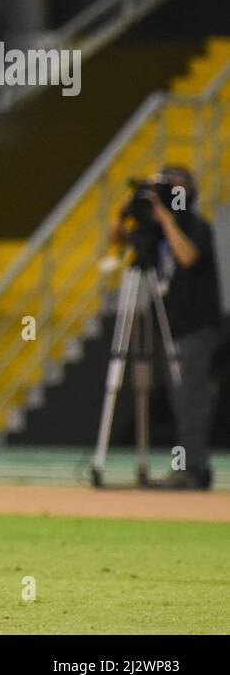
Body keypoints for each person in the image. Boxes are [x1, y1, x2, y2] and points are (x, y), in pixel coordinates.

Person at [110, 167, 222, 490]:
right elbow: (115, 240)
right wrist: (126, 211)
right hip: (173, 326)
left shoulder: (195, 225)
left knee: (190, 400)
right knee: (179, 399)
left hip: (196, 325)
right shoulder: (156, 230)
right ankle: (189, 468)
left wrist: (167, 220)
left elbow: (187, 257)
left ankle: (191, 469)